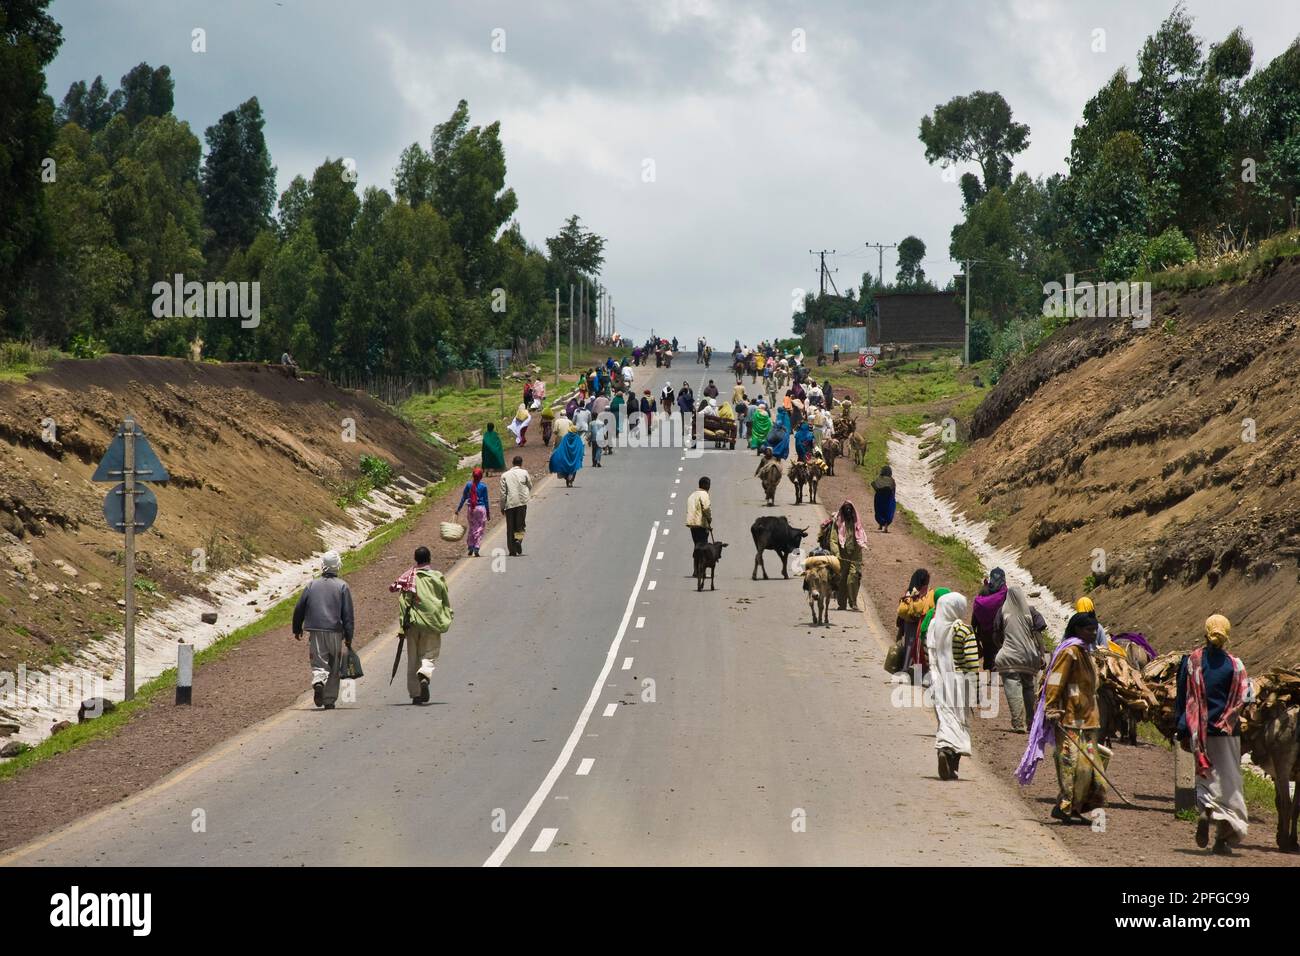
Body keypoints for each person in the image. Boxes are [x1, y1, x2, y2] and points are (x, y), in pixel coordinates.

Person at [1016, 612, 1106, 824]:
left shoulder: (1085, 651)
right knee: (1071, 764)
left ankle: (1074, 808)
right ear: (1077, 630)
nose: (1094, 633)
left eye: (1095, 629)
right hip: (1070, 718)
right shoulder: (1070, 652)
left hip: (1088, 719)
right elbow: (1055, 680)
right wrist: (1053, 708)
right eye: (1089, 630)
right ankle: (1065, 807)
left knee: (1090, 768)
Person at [1177, 614, 1251, 854]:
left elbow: (1183, 698)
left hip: (1201, 732)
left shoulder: (1192, 661)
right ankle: (1221, 839)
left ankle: (1204, 811)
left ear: (1205, 633)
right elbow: (1245, 698)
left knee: (1206, 777)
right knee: (1230, 787)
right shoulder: (1236, 666)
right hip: (1227, 732)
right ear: (1227, 635)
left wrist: (1182, 728)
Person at [291, 550, 355, 710]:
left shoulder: (311, 585)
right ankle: (329, 700)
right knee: (334, 666)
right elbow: (347, 614)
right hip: (335, 630)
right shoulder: (342, 586)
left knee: (319, 662)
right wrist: (349, 635)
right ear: (338, 566)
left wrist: (297, 627)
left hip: (315, 630)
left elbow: (299, 608)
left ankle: (319, 680)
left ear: (323, 566)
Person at [389, 546, 453, 705]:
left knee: (412, 659)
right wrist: (446, 616)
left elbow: (403, 603)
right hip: (431, 622)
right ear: (429, 559)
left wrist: (402, 627)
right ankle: (424, 674)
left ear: (416, 559)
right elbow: (445, 601)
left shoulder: (409, 578)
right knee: (429, 653)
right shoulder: (438, 577)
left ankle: (416, 694)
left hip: (412, 624)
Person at [928, 591, 979, 780]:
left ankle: (943, 747)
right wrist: (976, 690)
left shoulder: (934, 628)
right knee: (959, 720)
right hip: (959, 682)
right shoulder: (964, 631)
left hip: (938, 681)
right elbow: (972, 663)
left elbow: (930, 657)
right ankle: (952, 763)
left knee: (945, 718)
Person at [994, 586, 1046, 733]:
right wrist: (1042, 654)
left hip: (1010, 657)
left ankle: (1018, 724)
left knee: (1013, 687)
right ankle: (1031, 723)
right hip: (1030, 657)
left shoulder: (1002, 612)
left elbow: (996, 634)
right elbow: (1039, 634)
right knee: (1029, 687)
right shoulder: (1032, 612)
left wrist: (1001, 647)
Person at [826, 500, 866, 611]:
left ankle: (853, 603)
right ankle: (842, 604)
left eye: (850, 509)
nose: (848, 511)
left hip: (855, 555)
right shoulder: (837, 523)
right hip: (842, 556)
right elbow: (833, 540)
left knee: (853, 578)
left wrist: (858, 553)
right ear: (843, 511)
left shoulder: (856, 523)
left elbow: (860, 538)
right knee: (842, 580)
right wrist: (837, 553)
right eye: (846, 509)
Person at [897, 569, 934, 677]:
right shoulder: (927, 592)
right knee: (918, 647)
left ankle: (905, 667)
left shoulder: (909, 591)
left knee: (908, 645)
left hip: (908, 622)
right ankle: (916, 672)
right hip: (920, 623)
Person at [971, 567, 1008, 669]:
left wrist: (974, 628)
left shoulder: (984, 590)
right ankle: (994, 682)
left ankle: (986, 682)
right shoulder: (1004, 592)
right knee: (997, 656)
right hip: (999, 631)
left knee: (988, 657)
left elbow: (977, 608)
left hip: (984, 631)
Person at [454, 467, 491, 557]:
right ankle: (476, 547)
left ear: (473, 475)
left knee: (472, 527)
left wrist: (458, 509)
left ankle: (470, 546)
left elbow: (464, 498)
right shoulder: (483, 486)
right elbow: (486, 500)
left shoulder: (468, 485)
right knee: (479, 528)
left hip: (471, 509)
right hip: (481, 509)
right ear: (481, 476)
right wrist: (488, 512)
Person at [500, 455, 532, 556]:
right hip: (522, 503)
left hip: (510, 504)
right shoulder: (524, 472)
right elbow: (530, 486)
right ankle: (518, 540)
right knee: (520, 525)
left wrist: (502, 506)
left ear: (512, 463)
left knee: (510, 527)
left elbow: (503, 493)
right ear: (521, 463)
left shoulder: (504, 475)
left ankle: (512, 550)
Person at [686, 476, 712, 549]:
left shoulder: (692, 495)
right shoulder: (704, 494)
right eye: (709, 485)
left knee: (697, 545)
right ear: (706, 485)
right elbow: (706, 509)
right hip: (701, 525)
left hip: (692, 526)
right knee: (703, 545)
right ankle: (703, 560)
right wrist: (709, 520)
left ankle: (696, 559)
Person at [872, 466, 896, 532]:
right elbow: (893, 489)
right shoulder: (892, 480)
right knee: (888, 511)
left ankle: (880, 524)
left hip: (879, 496)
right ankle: (886, 525)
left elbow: (874, 485)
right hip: (888, 497)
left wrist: (878, 490)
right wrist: (893, 498)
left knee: (879, 510)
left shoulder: (879, 479)